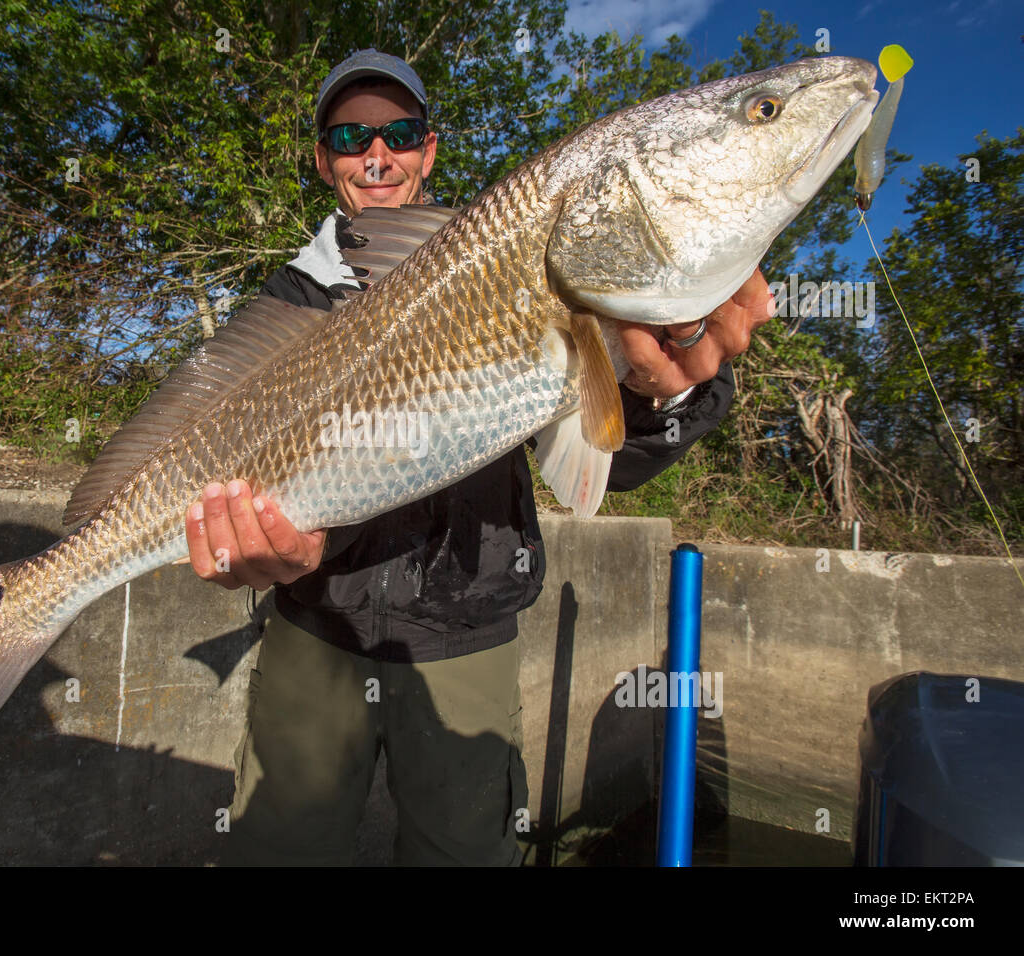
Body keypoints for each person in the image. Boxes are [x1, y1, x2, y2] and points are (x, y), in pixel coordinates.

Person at [184, 49, 773, 865]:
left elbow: (610, 460)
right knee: (278, 850)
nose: (377, 154)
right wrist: (254, 548)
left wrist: (665, 391)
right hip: (314, 633)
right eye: (352, 137)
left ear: (430, 148)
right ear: (324, 160)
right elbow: (251, 480)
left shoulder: (506, 255)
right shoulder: (291, 302)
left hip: (469, 631)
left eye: (401, 132)